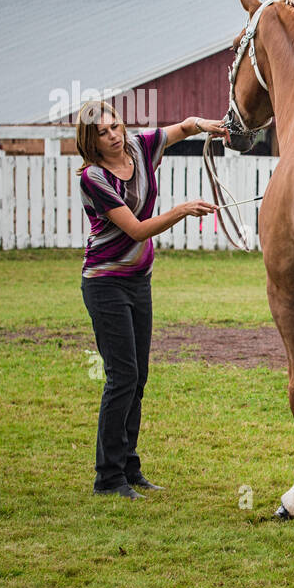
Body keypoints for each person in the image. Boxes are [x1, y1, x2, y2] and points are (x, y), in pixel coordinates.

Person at [76, 99, 228, 499]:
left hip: (138, 281)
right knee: (122, 377)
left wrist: (207, 124)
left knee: (137, 378)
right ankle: (108, 478)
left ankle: (129, 467)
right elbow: (137, 230)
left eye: (115, 127)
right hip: (105, 283)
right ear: (91, 141)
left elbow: (181, 128)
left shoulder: (141, 148)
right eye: (103, 133)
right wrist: (182, 210)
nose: (113, 136)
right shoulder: (94, 177)